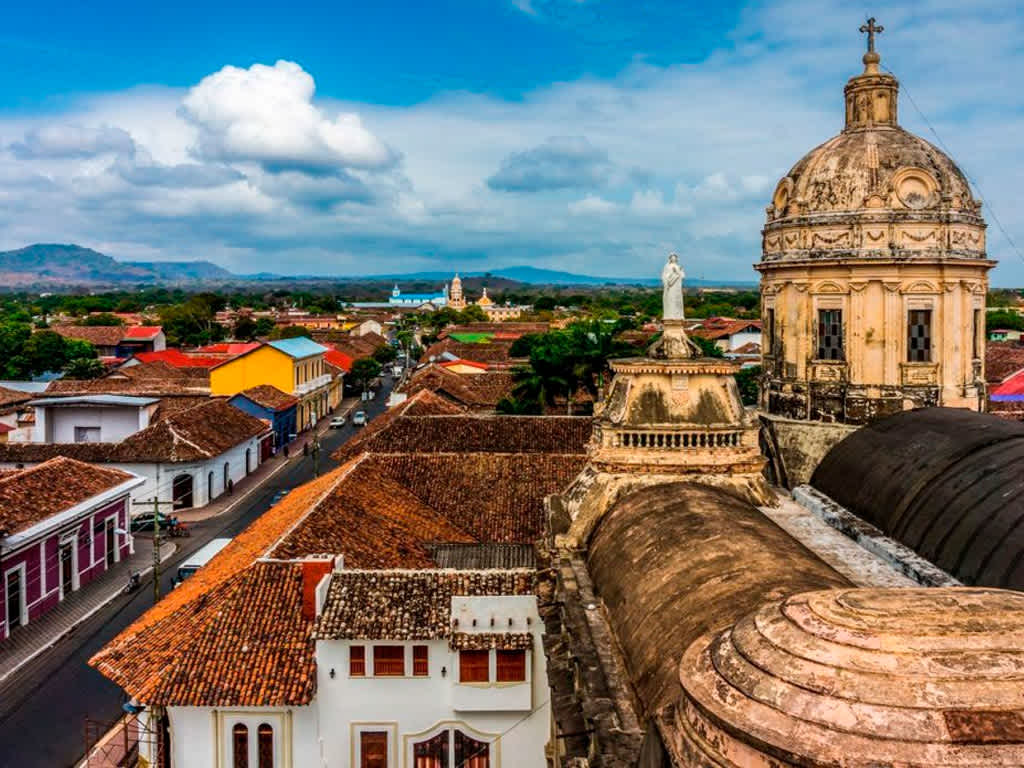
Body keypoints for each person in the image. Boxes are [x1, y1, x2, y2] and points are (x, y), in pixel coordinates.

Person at [661, 252, 685, 320]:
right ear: (670, 258)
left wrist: (678, 272)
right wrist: (672, 276)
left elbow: (682, 276)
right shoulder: (667, 266)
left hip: (677, 287)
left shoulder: (678, 266)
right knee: (671, 300)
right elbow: (665, 277)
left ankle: (678, 315)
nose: (673, 258)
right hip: (671, 287)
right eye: (672, 257)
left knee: (677, 301)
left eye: (675, 257)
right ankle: (671, 314)